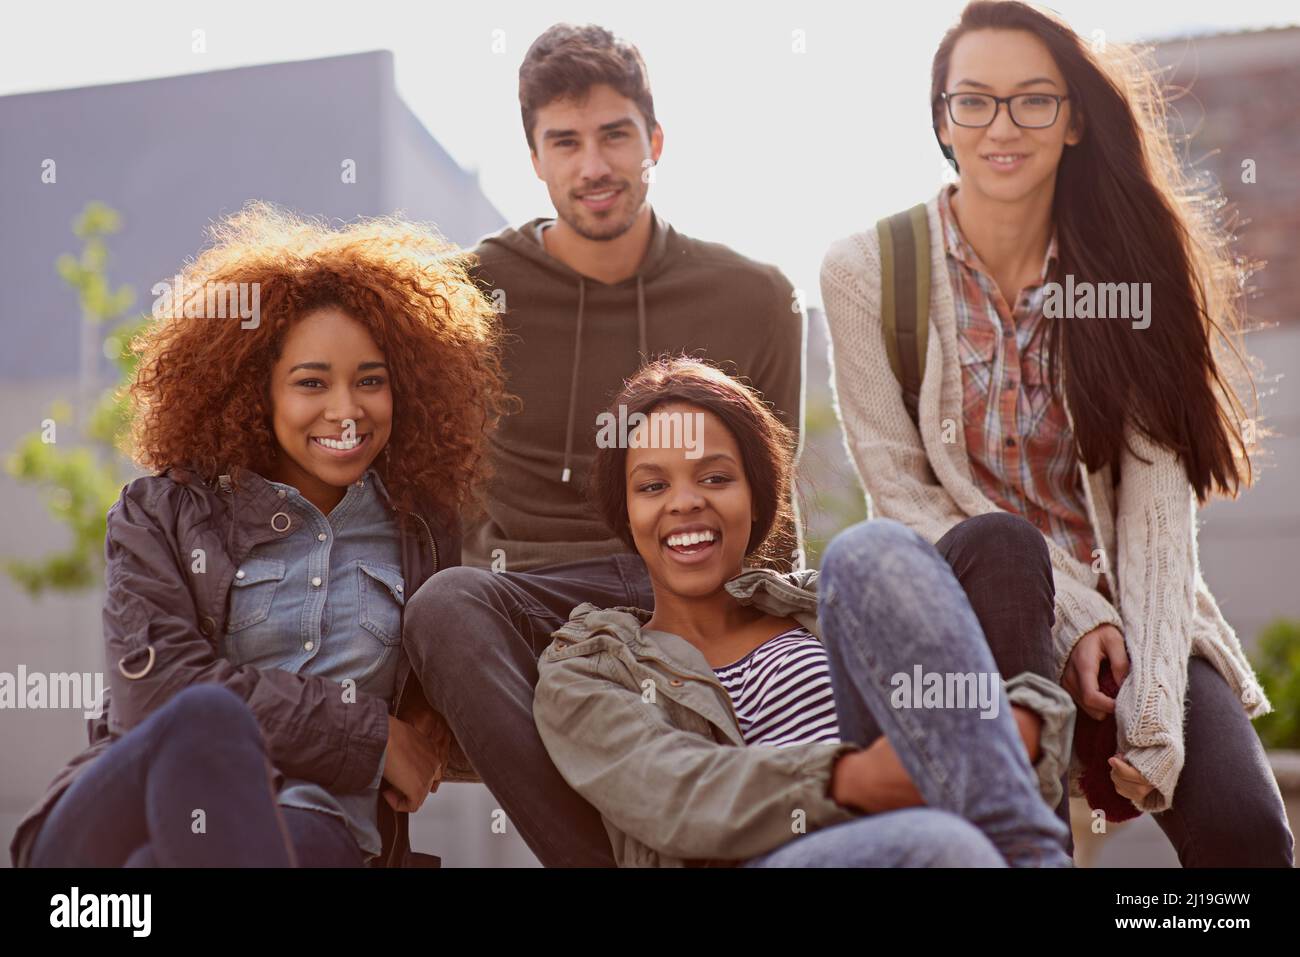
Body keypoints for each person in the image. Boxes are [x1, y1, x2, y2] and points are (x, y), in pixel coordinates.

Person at [820, 0, 1293, 865]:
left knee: (1247, 834)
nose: (1002, 126)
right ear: (941, 121)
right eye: (974, 101)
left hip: (1140, 606)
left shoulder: (1133, 269)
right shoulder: (868, 271)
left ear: (1073, 119)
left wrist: (1152, 707)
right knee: (1004, 549)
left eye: (1033, 100)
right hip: (973, 603)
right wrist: (1075, 618)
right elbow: (900, 494)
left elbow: (1157, 514)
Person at [403, 23, 806, 866]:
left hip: (694, 578)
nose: (593, 166)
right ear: (535, 159)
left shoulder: (756, 297)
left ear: (654, 141)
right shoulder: (464, 296)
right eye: (565, 142)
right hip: (536, 596)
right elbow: (427, 499)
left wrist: (784, 621)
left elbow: (773, 498)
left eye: (615, 135)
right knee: (444, 603)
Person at [12, 203, 509, 868]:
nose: (346, 410)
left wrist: (426, 722)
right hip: (117, 816)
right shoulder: (161, 512)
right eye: (311, 382)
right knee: (205, 719)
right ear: (256, 392)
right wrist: (370, 736)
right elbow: (157, 693)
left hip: (311, 829)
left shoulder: (421, 529)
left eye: (371, 381)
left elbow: (456, 657)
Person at [532, 356, 1076, 867]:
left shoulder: (825, 608)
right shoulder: (588, 668)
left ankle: (1022, 850)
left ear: (756, 497)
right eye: (653, 486)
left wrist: (1020, 721)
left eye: (716, 478)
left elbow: (965, 702)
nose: (685, 502)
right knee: (941, 842)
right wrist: (858, 778)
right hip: (779, 856)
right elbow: (677, 793)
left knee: (871, 550)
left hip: (940, 824)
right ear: (626, 512)